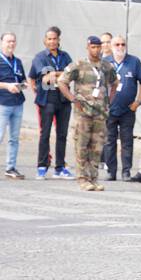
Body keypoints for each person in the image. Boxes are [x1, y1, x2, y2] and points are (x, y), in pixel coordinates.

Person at [57, 35, 118, 192]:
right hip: (83, 112)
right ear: (88, 47)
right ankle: (82, 178)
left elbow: (115, 83)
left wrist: (109, 102)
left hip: (100, 113)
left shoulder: (106, 66)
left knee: (96, 147)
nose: (96, 50)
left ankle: (93, 178)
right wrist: (72, 98)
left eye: (98, 47)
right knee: (82, 145)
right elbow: (62, 82)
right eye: (93, 47)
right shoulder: (79, 64)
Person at [29, 26, 74, 178]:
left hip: (64, 99)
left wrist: (55, 73)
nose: (52, 41)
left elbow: (73, 73)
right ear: (45, 40)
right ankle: (42, 166)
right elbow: (44, 76)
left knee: (62, 134)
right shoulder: (40, 57)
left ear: (59, 40)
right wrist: (59, 73)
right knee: (45, 133)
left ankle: (60, 168)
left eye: (55, 38)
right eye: (49, 39)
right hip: (47, 99)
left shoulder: (65, 56)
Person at [103, 35, 141, 182]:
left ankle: (126, 171)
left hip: (128, 110)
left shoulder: (134, 61)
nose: (120, 47)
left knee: (127, 141)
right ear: (111, 46)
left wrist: (138, 101)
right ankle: (111, 171)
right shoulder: (105, 62)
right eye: (117, 44)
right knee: (109, 141)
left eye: (123, 44)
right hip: (109, 110)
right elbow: (97, 84)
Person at [0, 32, 27, 179]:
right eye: (8, 41)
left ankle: (10, 168)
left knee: (14, 138)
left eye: (13, 41)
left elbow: (22, 78)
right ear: (1, 42)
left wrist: (23, 85)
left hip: (17, 103)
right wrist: (7, 86)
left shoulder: (18, 61)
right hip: (2, 103)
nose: (11, 44)